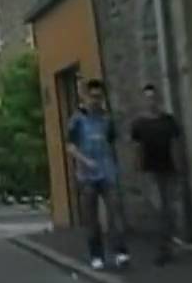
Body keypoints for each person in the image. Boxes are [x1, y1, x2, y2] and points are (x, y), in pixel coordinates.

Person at [66, 78, 129, 270]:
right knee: (91, 218)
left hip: (107, 172)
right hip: (87, 176)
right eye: (92, 97)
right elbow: (70, 147)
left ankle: (120, 251)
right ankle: (96, 255)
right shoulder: (77, 120)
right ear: (86, 97)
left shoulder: (107, 120)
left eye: (99, 97)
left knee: (115, 212)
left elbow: (112, 143)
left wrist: (114, 165)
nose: (96, 101)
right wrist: (85, 161)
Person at [130, 84, 184, 265]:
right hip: (150, 171)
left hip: (168, 169)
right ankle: (164, 246)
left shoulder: (168, 121)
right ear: (143, 101)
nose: (150, 101)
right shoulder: (139, 124)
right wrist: (138, 170)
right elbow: (137, 148)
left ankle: (169, 244)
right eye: (147, 98)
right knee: (159, 208)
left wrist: (178, 166)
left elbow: (176, 144)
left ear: (158, 99)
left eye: (153, 97)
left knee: (169, 209)